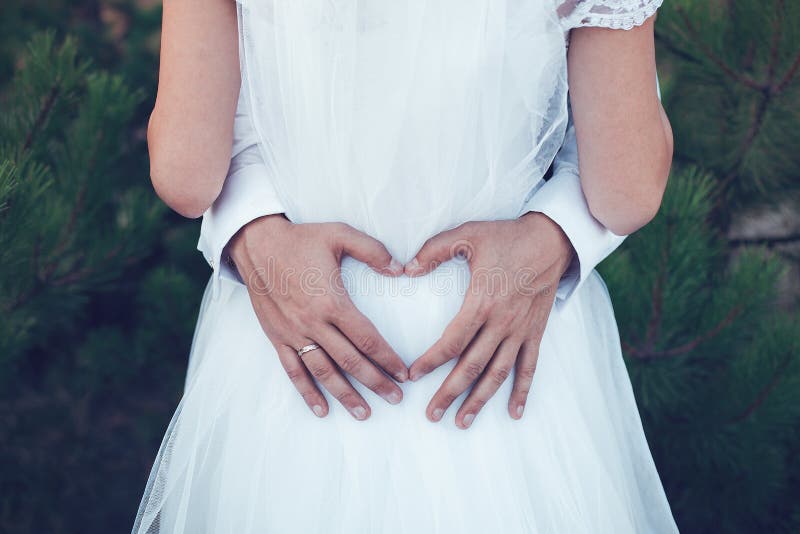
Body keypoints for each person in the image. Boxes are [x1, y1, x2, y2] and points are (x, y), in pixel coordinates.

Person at [135, 1, 677, 532]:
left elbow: (187, 171)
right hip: (493, 351)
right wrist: (556, 230)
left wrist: (252, 223)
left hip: (303, 348)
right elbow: (625, 188)